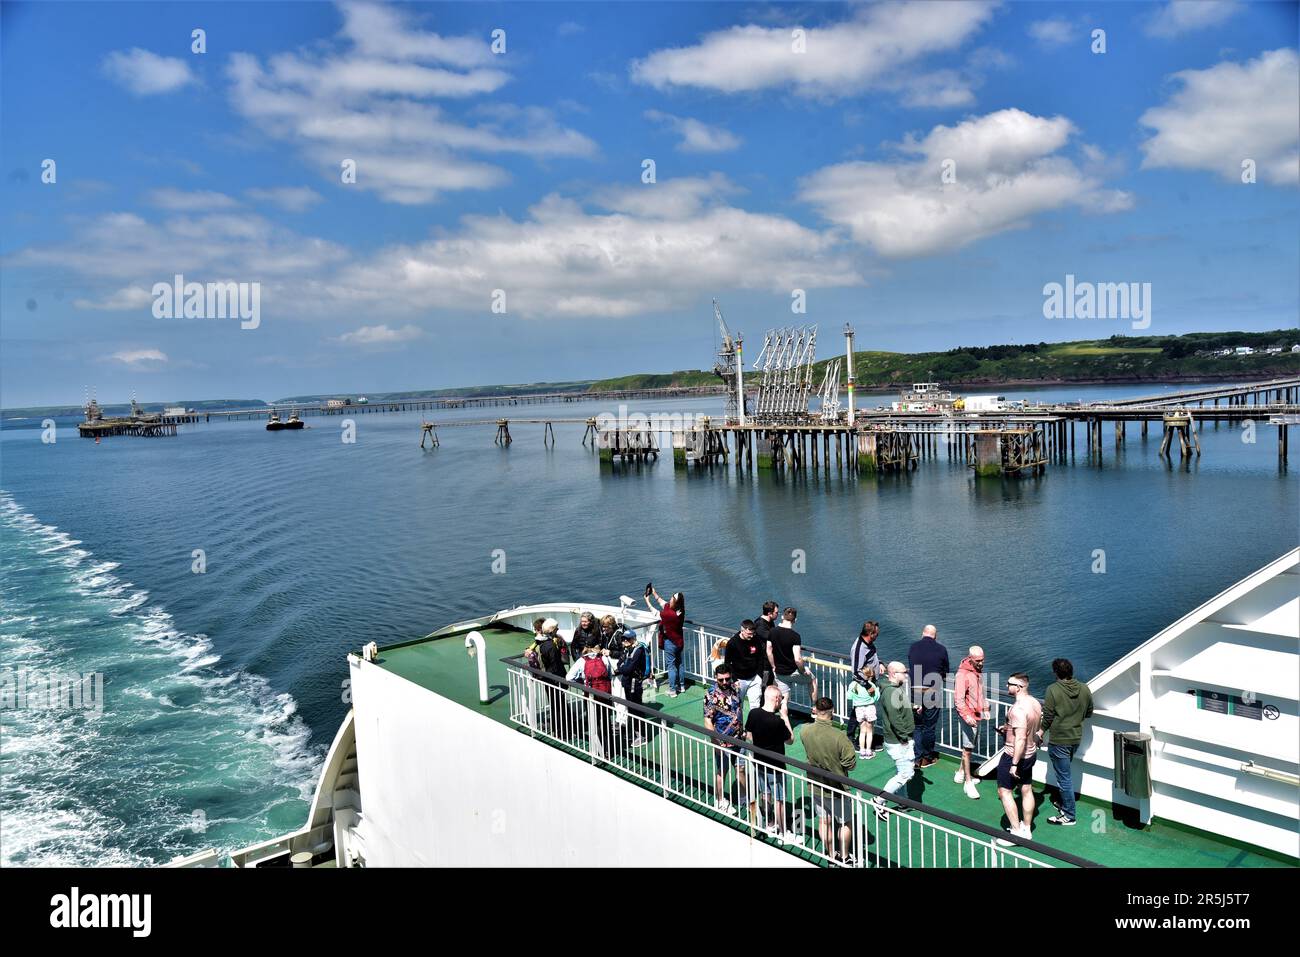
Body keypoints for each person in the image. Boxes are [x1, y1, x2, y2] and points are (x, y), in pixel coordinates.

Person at [800, 696, 858, 864]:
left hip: (816, 785)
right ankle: (845, 856)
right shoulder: (839, 736)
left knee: (824, 822)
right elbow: (851, 764)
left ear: (816, 710)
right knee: (845, 822)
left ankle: (831, 855)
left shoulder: (805, 730)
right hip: (838, 787)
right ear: (832, 712)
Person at [1042, 658, 1094, 826]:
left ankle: (1069, 815)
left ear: (1055, 673)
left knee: (1064, 779)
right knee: (1064, 776)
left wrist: (1041, 730)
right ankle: (1064, 804)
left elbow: (1048, 715)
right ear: (1071, 671)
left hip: (1059, 740)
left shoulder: (1053, 690)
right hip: (1075, 738)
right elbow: (1089, 712)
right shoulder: (1084, 688)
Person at [996, 672, 1043, 844]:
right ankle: (1027, 828)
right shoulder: (1035, 703)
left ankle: (1015, 833)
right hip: (1031, 754)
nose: (1006, 686)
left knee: (1004, 791)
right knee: (1026, 789)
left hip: (1014, 756)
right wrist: (1007, 729)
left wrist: (1014, 764)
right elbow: (1037, 725)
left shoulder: (1017, 709)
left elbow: (1021, 738)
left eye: (1009, 683)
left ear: (1019, 687)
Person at [745, 684, 793, 842]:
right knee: (779, 800)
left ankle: (770, 823)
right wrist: (785, 716)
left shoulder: (753, 713)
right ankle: (783, 832)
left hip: (759, 763)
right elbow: (790, 740)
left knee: (765, 795)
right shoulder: (777, 721)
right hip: (776, 766)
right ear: (778, 699)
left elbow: (749, 736)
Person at [873, 661, 916, 820]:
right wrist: (904, 738)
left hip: (898, 739)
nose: (906, 675)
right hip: (899, 741)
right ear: (893, 674)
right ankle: (879, 800)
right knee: (906, 774)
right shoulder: (892, 692)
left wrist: (911, 706)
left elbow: (898, 707)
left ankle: (902, 801)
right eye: (903, 672)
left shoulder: (893, 689)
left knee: (901, 771)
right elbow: (895, 718)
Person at [703, 664, 746, 814]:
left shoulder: (736, 688)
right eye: (721, 680)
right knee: (723, 770)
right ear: (716, 678)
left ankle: (743, 799)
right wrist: (715, 741)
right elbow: (708, 720)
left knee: (740, 768)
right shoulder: (711, 695)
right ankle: (720, 800)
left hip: (739, 738)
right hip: (722, 740)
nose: (725, 682)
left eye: (727, 678)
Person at [907, 624, 949, 770]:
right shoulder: (941, 649)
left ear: (922, 634)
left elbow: (911, 666)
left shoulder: (913, 647)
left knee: (917, 726)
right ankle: (927, 757)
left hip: (914, 692)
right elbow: (945, 671)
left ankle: (917, 758)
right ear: (935, 636)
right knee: (929, 727)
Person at [953, 645, 989, 799]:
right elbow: (959, 700)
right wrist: (967, 717)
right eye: (978, 661)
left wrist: (985, 707)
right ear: (970, 658)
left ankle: (960, 773)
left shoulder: (976, 671)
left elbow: (979, 692)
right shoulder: (962, 675)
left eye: (982, 660)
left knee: (971, 745)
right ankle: (968, 783)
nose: (981, 663)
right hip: (969, 716)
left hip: (977, 714)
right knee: (968, 749)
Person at [768, 607, 817, 707]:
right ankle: (815, 707)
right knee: (812, 679)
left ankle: (784, 720)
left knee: (784, 701)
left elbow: (769, 651)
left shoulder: (772, 632)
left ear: (782, 616)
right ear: (795, 620)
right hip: (792, 672)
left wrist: (773, 666)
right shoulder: (795, 636)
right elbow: (798, 659)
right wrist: (803, 671)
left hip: (779, 673)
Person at [846, 621, 884, 746]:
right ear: (870, 633)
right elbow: (856, 672)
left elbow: (872, 657)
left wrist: (880, 663)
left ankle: (862, 738)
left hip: (870, 682)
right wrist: (868, 686)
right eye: (876, 633)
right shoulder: (859, 649)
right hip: (864, 685)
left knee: (862, 710)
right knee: (860, 710)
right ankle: (852, 738)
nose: (878, 635)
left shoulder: (869, 643)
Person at [646, 587, 685, 697]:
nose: (670, 599)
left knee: (671, 666)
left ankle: (672, 691)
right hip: (679, 642)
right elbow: (664, 604)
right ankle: (681, 686)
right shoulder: (680, 611)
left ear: (675, 602)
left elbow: (656, 613)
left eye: (672, 598)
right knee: (680, 664)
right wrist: (654, 594)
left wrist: (647, 601)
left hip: (670, 642)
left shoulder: (669, 615)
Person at [615, 630, 650, 747]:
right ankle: (635, 734)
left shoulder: (638, 651)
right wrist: (622, 667)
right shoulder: (627, 650)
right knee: (631, 709)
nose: (625, 641)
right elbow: (619, 664)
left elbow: (627, 669)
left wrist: (621, 668)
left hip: (635, 684)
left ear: (633, 639)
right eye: (624, 639)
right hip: (628, 683)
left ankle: (642, 736)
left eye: (628, 639)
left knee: (636, 709)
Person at [722, 619, 766, 709]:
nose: (751, 636)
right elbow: (727, 663)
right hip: (739, 680)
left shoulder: (756, 639)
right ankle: (739, 723)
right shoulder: (732, 643)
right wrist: (734, 679)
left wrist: (759, 675)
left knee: (756, 706)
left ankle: (754, 723)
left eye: (753, 633)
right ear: (742, 630)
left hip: (755, 678)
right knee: (738, 705)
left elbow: (760, 657)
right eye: (749, 634)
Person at [847, 669, 880, 759]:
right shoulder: (872, 685)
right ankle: (868, 751)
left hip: (859, 709)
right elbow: (876, 698)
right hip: (870, 708)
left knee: (862, 731)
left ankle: (862, 751)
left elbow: (849, 696)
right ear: (870, 676)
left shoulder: (853, 685)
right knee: (869, 731)